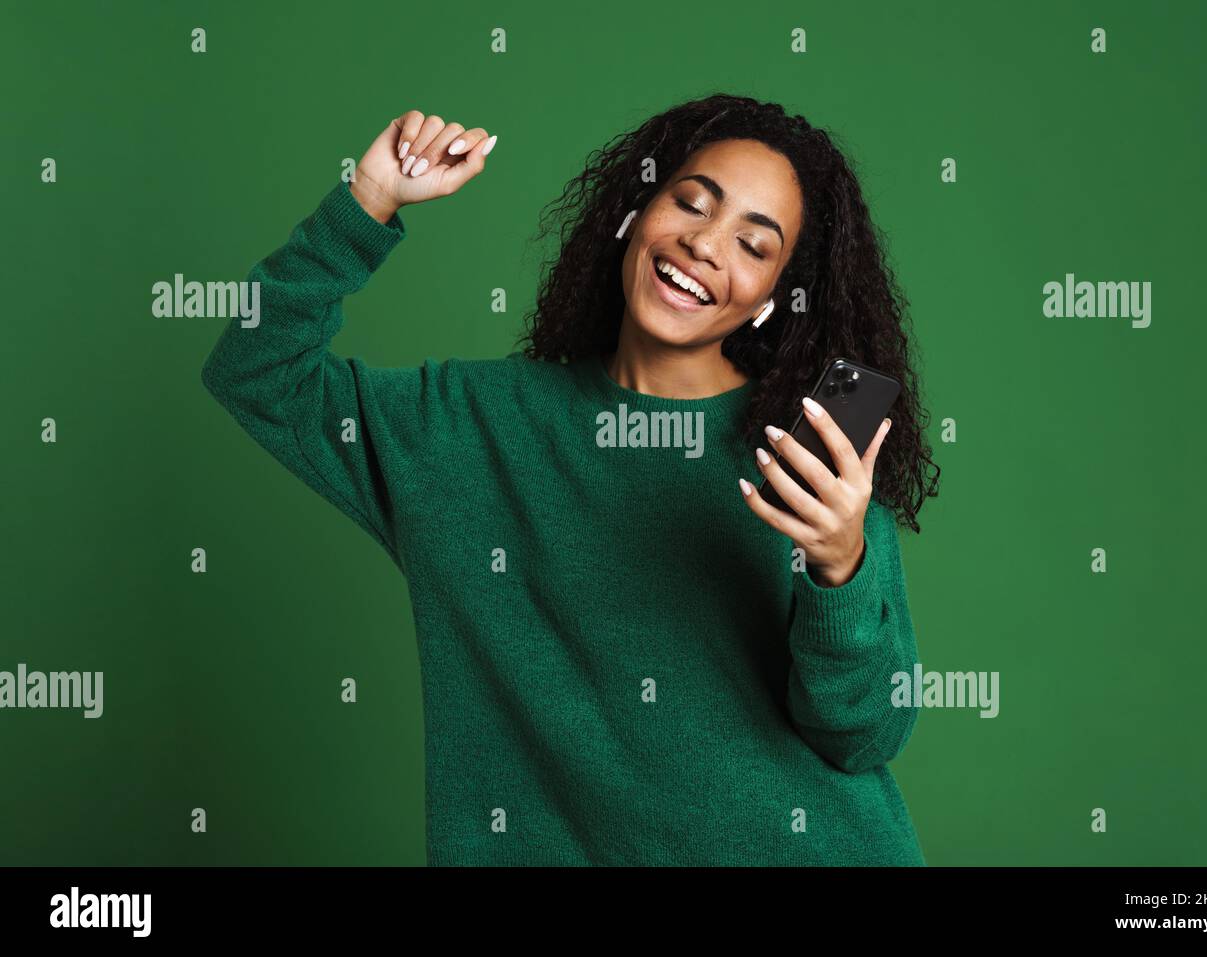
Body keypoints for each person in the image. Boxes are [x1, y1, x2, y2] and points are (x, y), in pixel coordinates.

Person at [201, 93, 941, 866]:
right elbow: (256, 370)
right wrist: (370, 198)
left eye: (754, 247)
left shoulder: (812, 451)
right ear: (634, 211)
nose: (705, 246)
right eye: (690, 203)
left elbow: (863, 737)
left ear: (769, 303)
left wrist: (839, 564)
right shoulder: (464, 427)